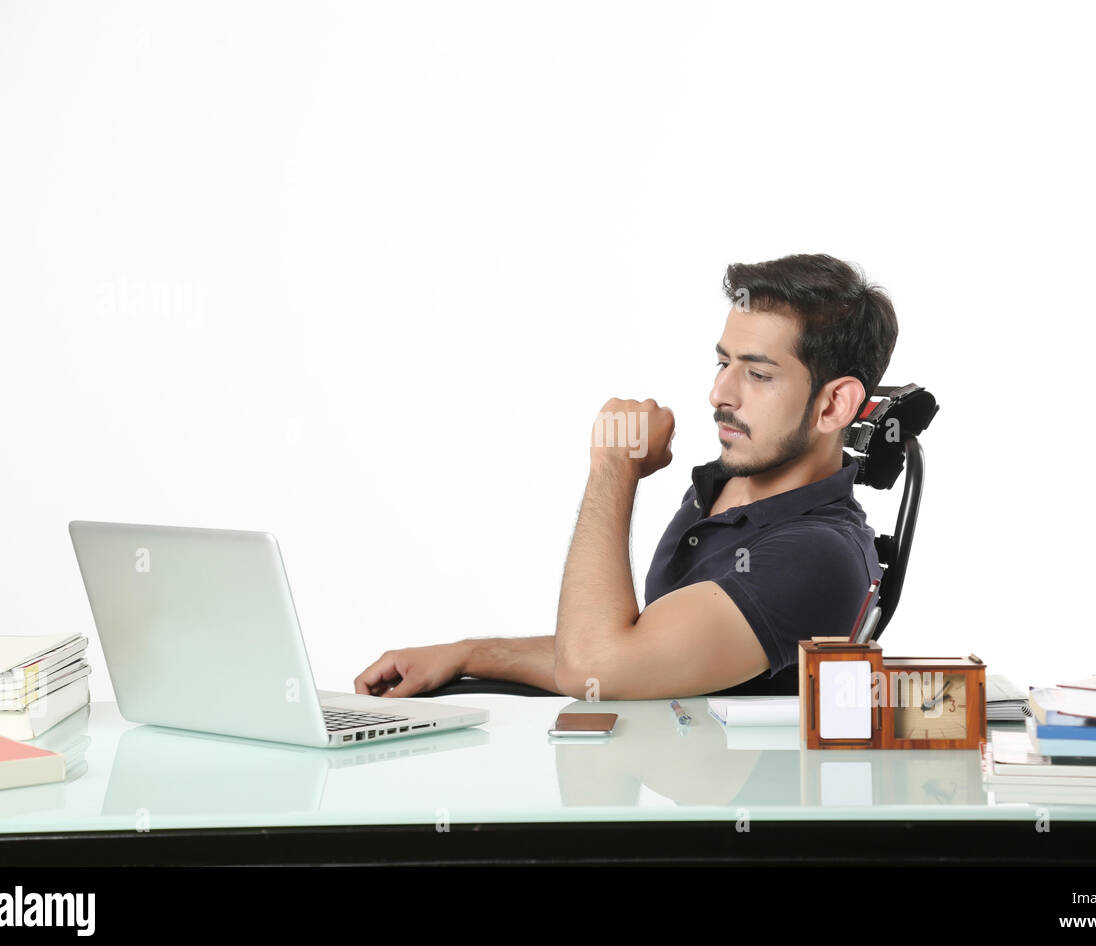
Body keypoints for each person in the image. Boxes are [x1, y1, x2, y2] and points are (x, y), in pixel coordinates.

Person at [354, 253, 898, 700]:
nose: (720, 395)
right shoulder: (729, 484)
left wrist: (614, 468)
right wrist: (465, 655)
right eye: (722, 364)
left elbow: (599, 665)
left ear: (834, 406)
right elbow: (629, 648)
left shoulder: (815, 555)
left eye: (757, 373)